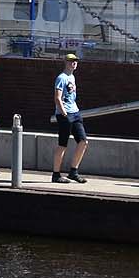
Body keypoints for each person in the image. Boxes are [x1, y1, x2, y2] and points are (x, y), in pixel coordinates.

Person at [52, 50, 90, 182]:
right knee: (63, 144)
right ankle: (56, 174)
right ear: (66, 63)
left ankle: (73, 171)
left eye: (76, 61)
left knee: (83, 141)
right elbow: (57, 97)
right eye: (72, 61)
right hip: (66, 114)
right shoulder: (61, 78)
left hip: (75, 112)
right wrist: (63, 112)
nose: (74, 63)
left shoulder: (72, 77)